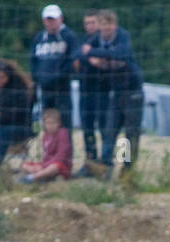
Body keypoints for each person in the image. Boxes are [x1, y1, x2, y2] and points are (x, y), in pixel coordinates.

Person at [88, 10, 143, 176]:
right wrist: (91, 55)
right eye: (103, 25)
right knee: (110, 130)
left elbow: (121, 53)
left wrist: (93, 53)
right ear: (99, 26)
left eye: (109, 25)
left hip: (132, 91)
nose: (106, 29)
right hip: (116, 91)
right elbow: (80, 52)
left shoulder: (123, 37)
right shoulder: (97, 39)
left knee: (129, 133)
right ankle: (106, 167)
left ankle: (126, 168)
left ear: (115, 25)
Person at [30, 4, 76, 128]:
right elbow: (33, 61)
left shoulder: (69, 36)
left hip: (62, 89)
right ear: (44, 20)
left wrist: (56, 78)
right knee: (48, 123)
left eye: (53, 19)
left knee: (64, 124)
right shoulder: (39, 38)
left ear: (60, 18)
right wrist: (38, 78)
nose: (50, 22)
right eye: (48, 19)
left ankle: (65, 147)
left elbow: (72, 62)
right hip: (44, 89)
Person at [76, 9, 105, 175]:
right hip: (85, 91)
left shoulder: (104, 40)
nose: (89, 26)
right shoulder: (84, 40)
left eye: (92, 22)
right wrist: (89, 58)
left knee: (106, 129)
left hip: (103, 92)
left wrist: (90, 54)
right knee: (87, 128)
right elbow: (76, 57)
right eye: (86, 23)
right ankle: (91, 160)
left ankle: (106, 162)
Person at [21, 107, 73, 182]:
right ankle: (43, 175)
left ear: (59, 123)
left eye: (53, 123)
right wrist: (40, 166)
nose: (50, 126)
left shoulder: (63, 133)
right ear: (44, 124)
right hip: (46, 164)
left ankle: (32, 177)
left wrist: (44, 166)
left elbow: (61, 156)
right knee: (25, 165)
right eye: (48, 123)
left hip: (61, 165)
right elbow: (46, 155)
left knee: (54, 167)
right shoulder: (46, 135)